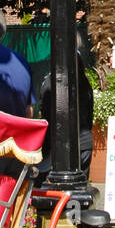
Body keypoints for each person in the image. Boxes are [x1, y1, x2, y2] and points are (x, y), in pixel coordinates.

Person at [36, 35, 94, 176]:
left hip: (59, 147)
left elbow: (48, 115)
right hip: (84, 143)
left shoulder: (52, 82)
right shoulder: (84, 81)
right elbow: (89, 113)